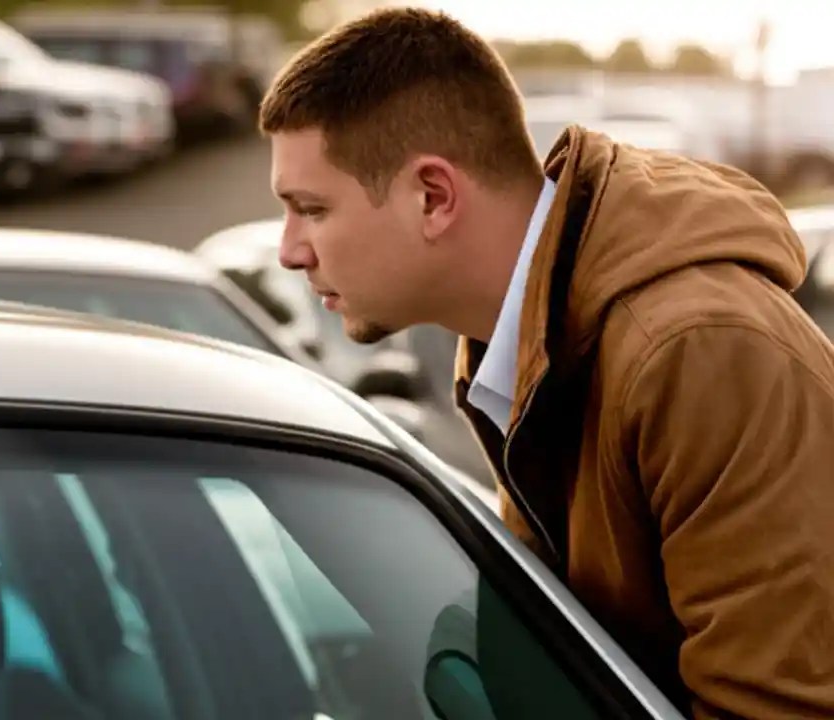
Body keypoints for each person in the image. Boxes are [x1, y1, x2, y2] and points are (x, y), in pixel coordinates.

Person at [259, 7, 834, 719]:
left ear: (432, 197)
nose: (289, 250)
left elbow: (781, 710)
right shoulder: (527, 343)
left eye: (310, 208)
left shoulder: (695, 351)